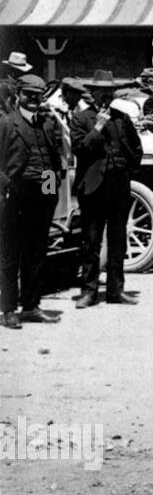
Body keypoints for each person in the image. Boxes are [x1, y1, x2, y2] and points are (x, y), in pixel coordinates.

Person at [70, 70, 143, 308]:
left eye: (109, 92)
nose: (105, 96)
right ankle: (89, 291)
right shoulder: (81, 119)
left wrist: (128, 169)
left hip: (118, 186)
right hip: (92, 188)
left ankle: (115, 291)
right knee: (90, 241)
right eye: (101, 92)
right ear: (92, 93)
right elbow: (79, 149)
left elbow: (136, 148)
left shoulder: (122, 117)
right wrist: (98, 127)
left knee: (118, 240)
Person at [0, 74, 64, 328]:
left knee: (36, 253)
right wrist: (6, 189)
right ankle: (8, 310)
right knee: (10, 255)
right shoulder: (6, 124)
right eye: (29, 95)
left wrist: (51, 192)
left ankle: (30, 305)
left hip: (42, 198)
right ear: (18, 95)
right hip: (15, 196)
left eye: (38, 96)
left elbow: (51, 161)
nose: (33, 100)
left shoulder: (47, 124)